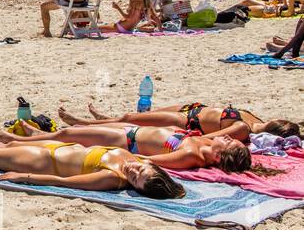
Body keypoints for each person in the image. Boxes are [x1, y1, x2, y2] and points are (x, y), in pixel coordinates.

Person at [0, 131, 185, 199]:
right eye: (140, 171)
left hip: (45, 162)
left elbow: (65, 183)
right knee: (3, 148)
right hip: (57, 148)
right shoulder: (140, 159)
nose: (133, 171)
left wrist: (24, 176)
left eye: (135, 180)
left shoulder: (112, 178)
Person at [0, 121, 259, 174]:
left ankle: (18, 141)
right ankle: (34, 135)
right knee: (69, 133)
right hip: (132, 133)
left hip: (126, 141)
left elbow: (149, 160)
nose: (224, 138)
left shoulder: (191, 155)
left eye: (228, 143)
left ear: (221, 155)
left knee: (70, 135)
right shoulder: (205, 145)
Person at [59, 103, 299, 140]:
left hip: (187, 121)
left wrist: (185, 136)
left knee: (130, 120)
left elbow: (209, 138)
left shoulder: (242, 128)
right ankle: (102, 119)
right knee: (133, 117)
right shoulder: (255, 119)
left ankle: (81, 123)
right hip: (193, 108)